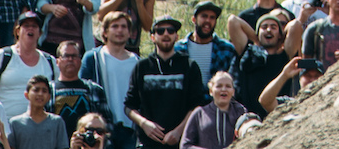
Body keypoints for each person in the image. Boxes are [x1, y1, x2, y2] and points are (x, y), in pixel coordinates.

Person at [124, 16, 204, 149]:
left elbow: (197, 105)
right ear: (153, 37)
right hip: (148, 142)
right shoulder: (142, 67)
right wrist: (144, 124)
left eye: (170, 30)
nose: (166, 34)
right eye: (160, 31)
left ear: (176, 36)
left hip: (181, 142)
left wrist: (179, 131)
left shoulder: (189, 66)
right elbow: (129, 106)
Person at [223, 11, 301, 119]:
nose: (268, 30)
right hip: (250, 117)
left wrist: (281, 39)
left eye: (273, 27)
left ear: (280, 35)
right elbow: (233, 21)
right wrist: (256, 39)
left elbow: (295, 25)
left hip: (278, 115)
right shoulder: (248, 52)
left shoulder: (286, 55)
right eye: (264, 27)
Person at [81, 13, 141, 149]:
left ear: (130, 32)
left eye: (124, 27)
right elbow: (83, 92)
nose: (120, 30)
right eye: (115, 26)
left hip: (130, 130)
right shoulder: (93, 58)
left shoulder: (137, 62)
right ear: (105, 32)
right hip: (102, 130)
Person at [0, 11, 57, 122]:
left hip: (39, 125)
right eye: (26, 26)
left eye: (34, 26)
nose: (30, 29)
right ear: (17, 31)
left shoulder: (50, 61)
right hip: (5, 124)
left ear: (40, 33)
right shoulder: (2, 56)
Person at [47, 41, 106, 133]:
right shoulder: (48, 90)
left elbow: (106, 124)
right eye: (66, 56)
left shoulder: (94, 89)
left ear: (80, 60)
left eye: (74, 56)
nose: (70, 59)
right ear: (57, 62)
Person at [178, 71, 246, 149]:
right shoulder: (199, 113)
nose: (223, 89)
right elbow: (185, 145)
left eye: (228, 86)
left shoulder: (241, 113)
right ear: (211, 91)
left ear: (233, 92)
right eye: (219, 86)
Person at [181, 2, 237, 85]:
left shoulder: (226, 49)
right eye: (204, 16)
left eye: (212, 18)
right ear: (194, 19)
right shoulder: (179, 48)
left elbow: (233, 81)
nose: (208, 21)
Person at [256, 56, 322, 117]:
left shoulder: (326, 103)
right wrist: (284, 75)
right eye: (308, 76)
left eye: (316, 76)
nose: (312, 80)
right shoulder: (291, 103)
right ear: (300, 79)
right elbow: (265, 101)